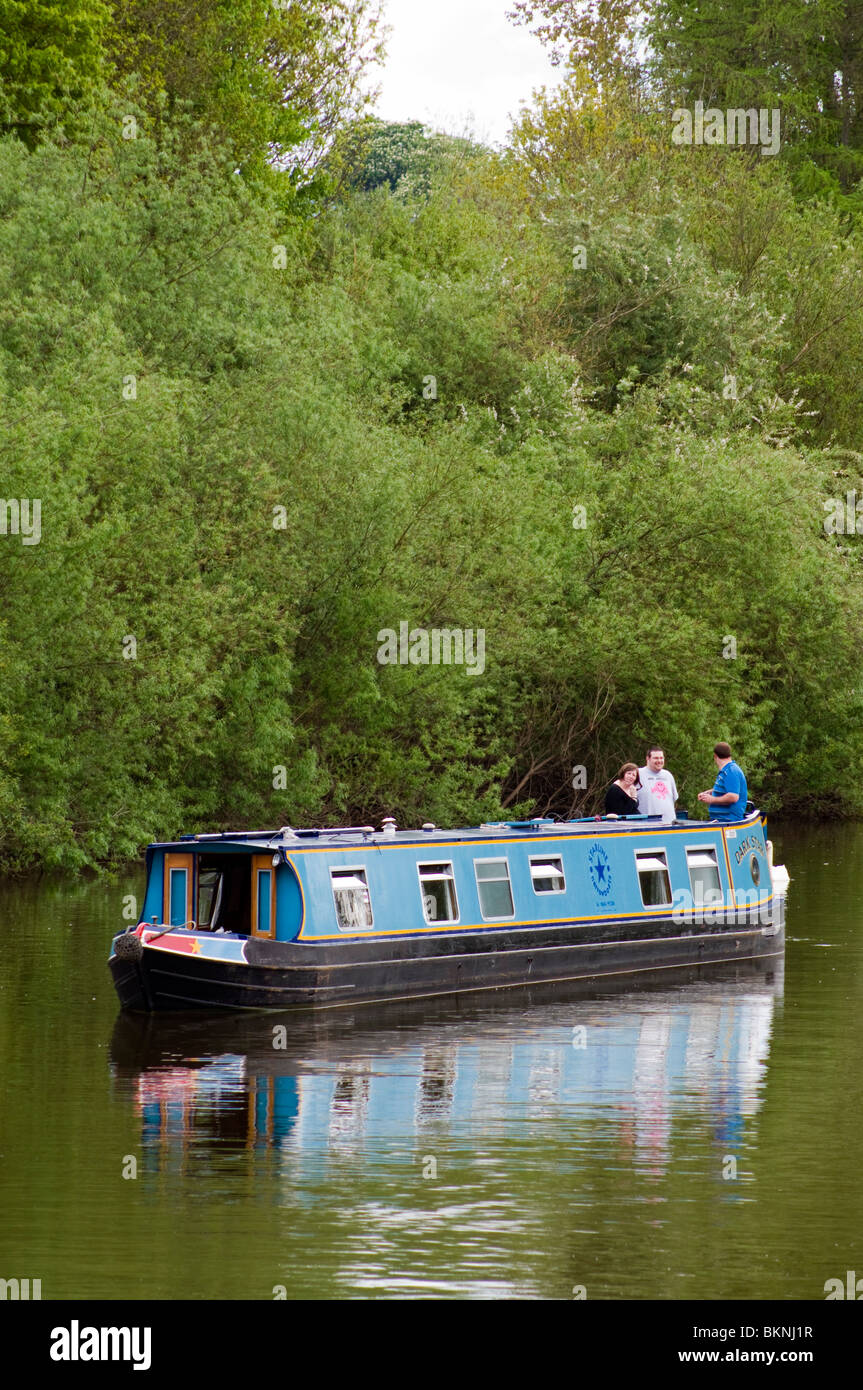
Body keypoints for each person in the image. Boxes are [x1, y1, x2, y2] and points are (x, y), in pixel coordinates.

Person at [697, 743, 747, 821]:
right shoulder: (726, 770)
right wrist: (708, 793)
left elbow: (733, 796)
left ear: (715, 756)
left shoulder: (731, 771)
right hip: (720, 821)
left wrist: (712, 799)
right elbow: (726, 789)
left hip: (729, 822)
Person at [637, 745, 678, 822]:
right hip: (647, 825)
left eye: (661, 758)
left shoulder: (668, 775)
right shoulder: (637, 774)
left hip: (669, 824)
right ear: (647, 758)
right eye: (655, 758)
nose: (659, 760)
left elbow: (674, 799)